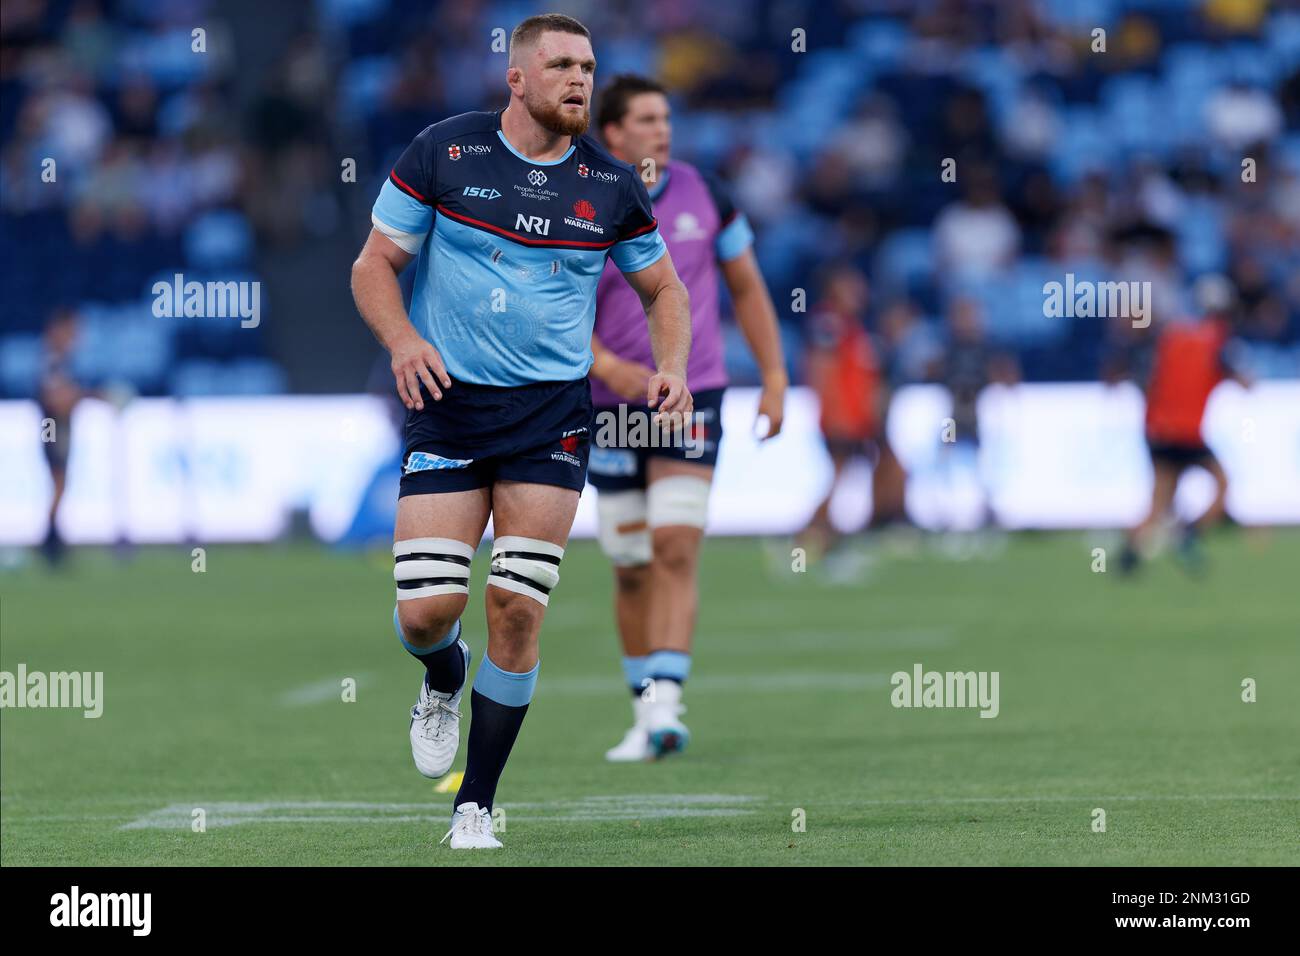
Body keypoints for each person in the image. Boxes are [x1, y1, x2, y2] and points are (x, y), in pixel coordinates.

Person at [350, 14, 693, 849]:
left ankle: (475, 804)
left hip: (551, 421)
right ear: (517, 76)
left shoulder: (610, 186)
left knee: (514, 608)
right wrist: (402, 340)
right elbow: (373, 265)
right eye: (562, 65)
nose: (580, 79)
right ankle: (442, 677)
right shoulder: (445, 152)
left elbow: (665, 290)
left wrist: (672, 366)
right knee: (431, 613)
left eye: (588, 66)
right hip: (449, 404)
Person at [587, 74, 787, 761]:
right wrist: (607, 367)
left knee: (675, 546)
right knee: (630, 562)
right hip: (608, 408)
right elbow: (549, 299)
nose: (662, 130)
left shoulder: (709, 193)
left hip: (691, 396)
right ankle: (643, 707)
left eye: (667, 117)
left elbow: (748, 286)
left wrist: (776, 376)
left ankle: (667, 701)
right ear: (612, 133)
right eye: (646, 119)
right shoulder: (582, 198)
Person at [1120, 276, 1248, 574]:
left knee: (1159, 501)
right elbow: (1241, 379)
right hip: (1188, 434)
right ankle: (1188, 536)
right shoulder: (1219, 341)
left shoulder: (1173, 335)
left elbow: (1145, 373)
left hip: (1159, 431)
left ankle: (1129, 556)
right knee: (1223, 485)